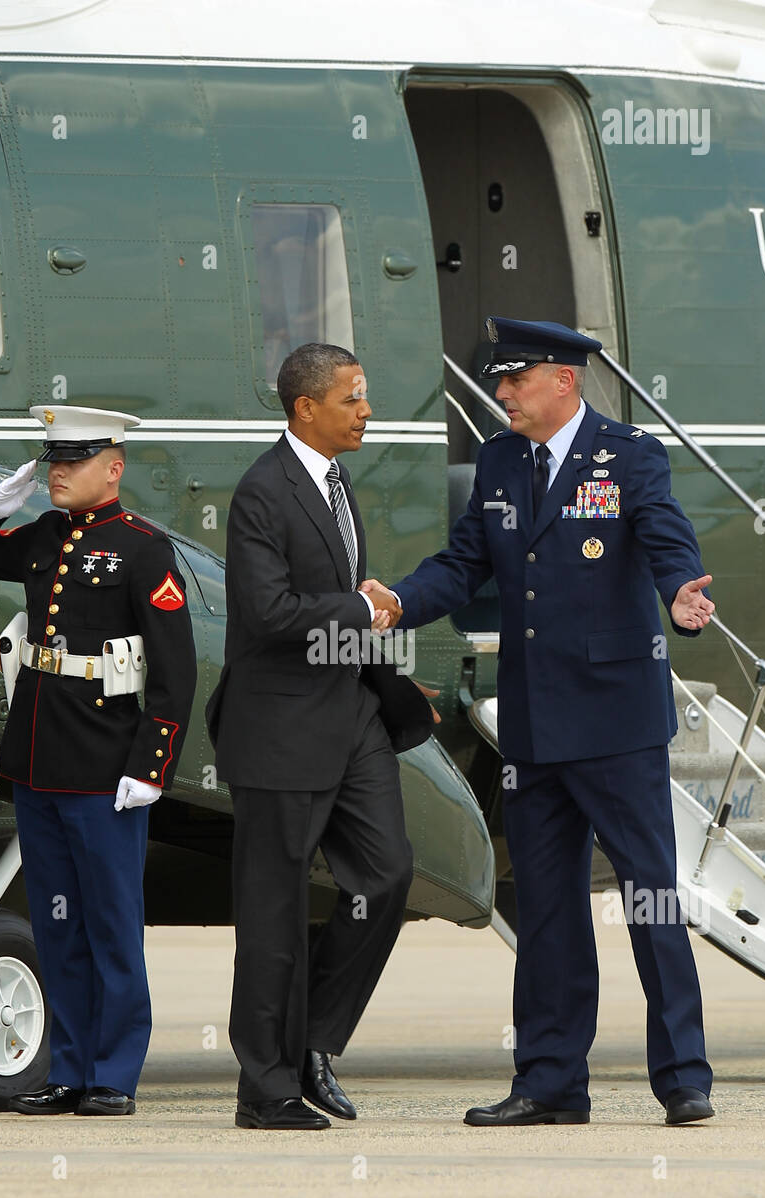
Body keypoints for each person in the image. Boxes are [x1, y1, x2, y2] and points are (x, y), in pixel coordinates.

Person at [363, 318, 716, 1127]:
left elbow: (664, 531)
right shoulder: (497, 461)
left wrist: (681, 591)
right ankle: (550, 1082)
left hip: (617, 721)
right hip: (531, 725)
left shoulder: (627, 454)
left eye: (516, 380)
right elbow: (463, 563)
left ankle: (684, 1075)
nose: (503, 394)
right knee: (548, 907)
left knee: (650, 899)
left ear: (563, 380)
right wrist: (397, 603)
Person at [0, 405, 196, 1116]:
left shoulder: (143, 549)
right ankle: (68, 1067)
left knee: (111, 923)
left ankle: (113, 1074)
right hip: (39, 760)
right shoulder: (44, 535)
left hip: (106, 767)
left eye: (73, 459)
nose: (57, 470)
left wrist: (152, 765)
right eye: (52, 458)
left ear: (113, 467)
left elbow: (175, 669)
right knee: (56, 925)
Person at [205, 342, 432, 1130]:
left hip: (350, 715)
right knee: (272, 909)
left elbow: (322, 594)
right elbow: (266, 614)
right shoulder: (264, 492)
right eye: (353, 399)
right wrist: (359, 610)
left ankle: (313, 1042)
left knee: (386, 875)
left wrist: (358, 604)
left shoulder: (335, 482)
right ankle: (265, 1087)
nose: (366, 411)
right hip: (279, 728)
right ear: (306, 408)